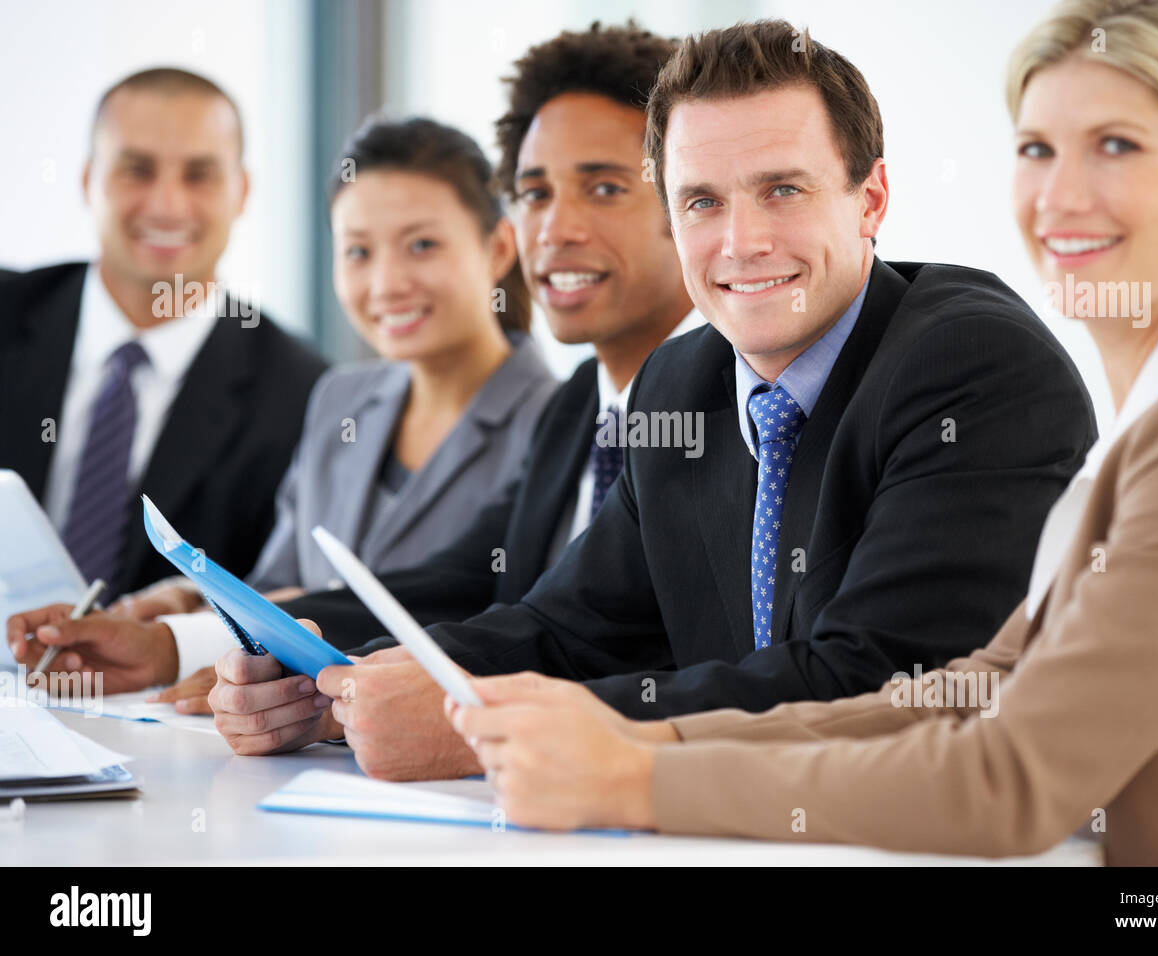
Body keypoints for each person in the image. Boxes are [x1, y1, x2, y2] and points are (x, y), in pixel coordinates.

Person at [447, 0, 1158, 866]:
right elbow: (969, 691)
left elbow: (1006, 778)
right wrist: (647, 747)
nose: (1061, 196)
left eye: (1117, 146)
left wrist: (638, 782)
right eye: (1038, 149)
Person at [210, 19, 1097, 778]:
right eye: (702, 202)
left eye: (782, 189)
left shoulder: (971, 364)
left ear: (871, 199)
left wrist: (472, 726)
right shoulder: (682, 385)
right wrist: (337, 685)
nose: (741, 242)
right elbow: (568, 629)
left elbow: (876, 687)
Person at [7, 116, 556, 695]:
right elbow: (282, 581)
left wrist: (181, 638)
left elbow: (481, 613)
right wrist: (185, 601)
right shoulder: (341, 397)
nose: (387, 283)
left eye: (422, 245)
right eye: (358, 251)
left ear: (498, 248)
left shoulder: (557, 421)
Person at [0, 67, 326, 605]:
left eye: (199, 175)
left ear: (241, 192)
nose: (167, 205)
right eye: (137, 170)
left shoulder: (302, 395)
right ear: (88, 181)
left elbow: (279, 601)